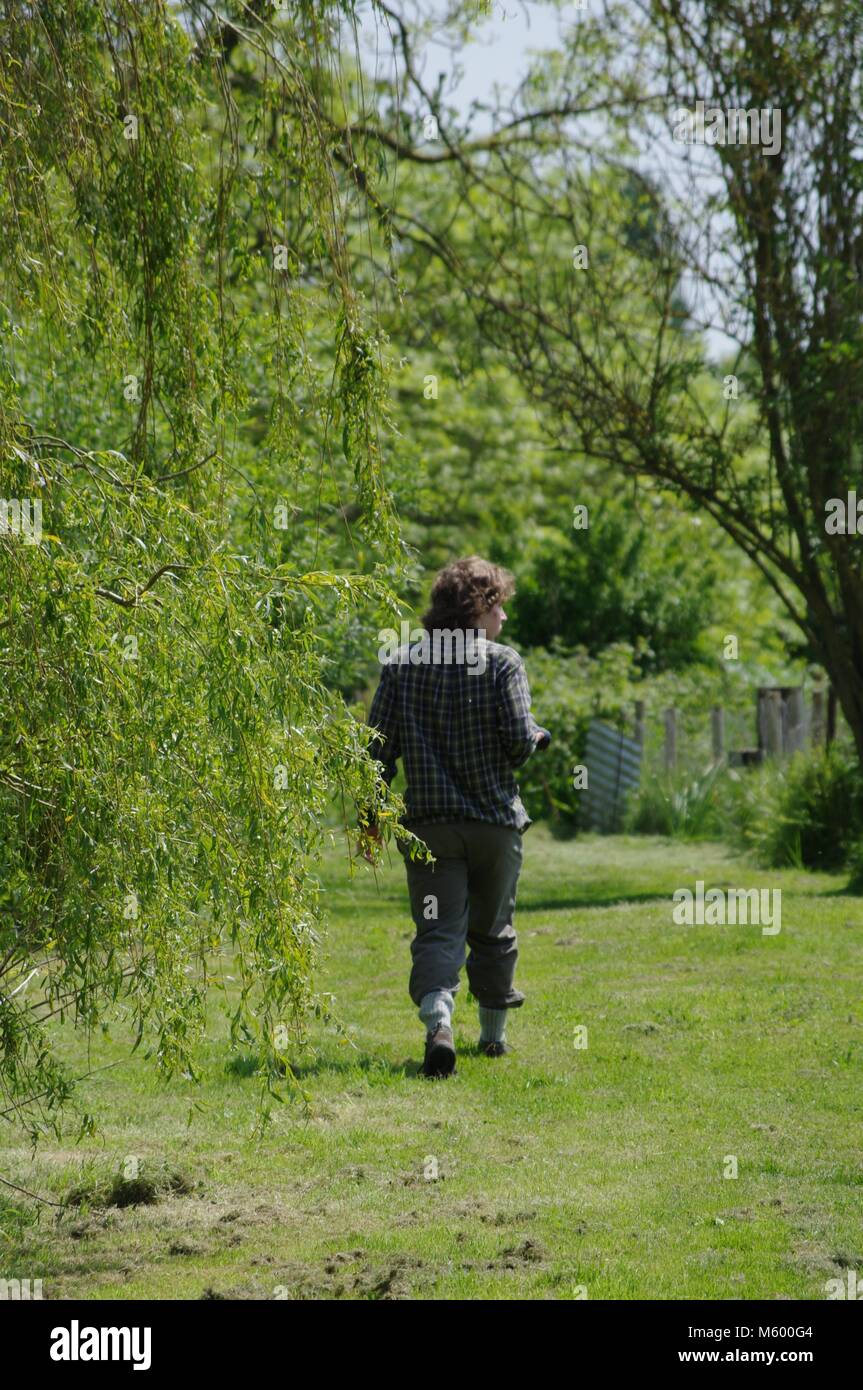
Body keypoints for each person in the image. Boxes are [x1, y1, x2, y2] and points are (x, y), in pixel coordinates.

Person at [364, 556, 550, 1078]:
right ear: (479, 608)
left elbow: (377, 750)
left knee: (436, 927)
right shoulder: (503, 663)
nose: (505, 620)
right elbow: (516, 743)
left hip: (428, 830)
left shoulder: (401, 664)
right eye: (500, 607)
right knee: (493, 929)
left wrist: (370, 813)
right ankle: (493, 1040)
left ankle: (439, 1021)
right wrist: (536, 737)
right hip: (493, 827)